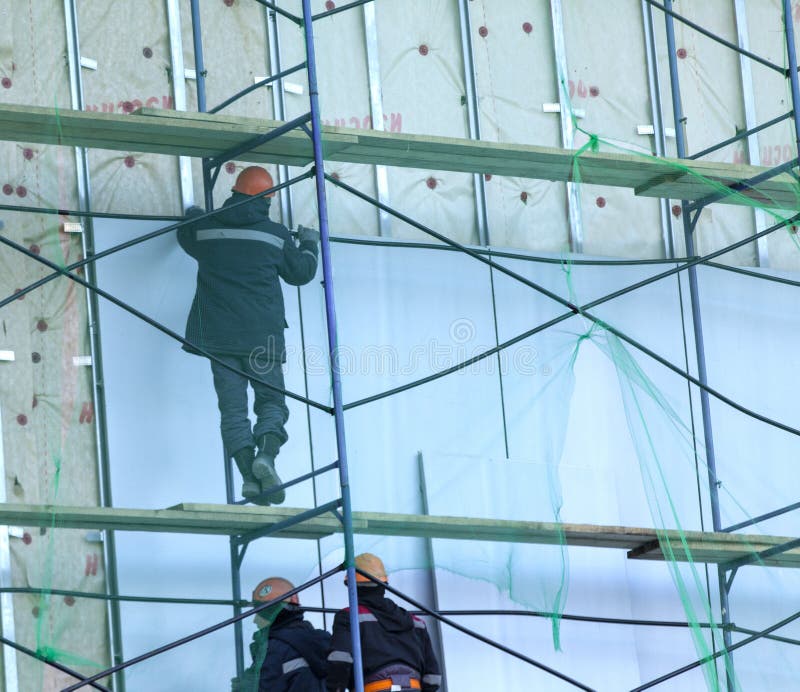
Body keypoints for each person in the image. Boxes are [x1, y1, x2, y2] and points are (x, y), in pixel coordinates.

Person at [178, 166, 319, 504]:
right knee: (271, 403)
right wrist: (311, 242)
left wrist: (195, 213)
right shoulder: (274, 234)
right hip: (262, 339)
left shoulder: (207, 230)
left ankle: (248, 478)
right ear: (269, 197)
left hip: (218, 340)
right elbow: (301, 273)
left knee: (232, 411)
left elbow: (186, 233)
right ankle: (265, 458)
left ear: (236, 190)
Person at [327, 554, 442, 692]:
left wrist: (335, 689)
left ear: (351, 584)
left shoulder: (349, 616)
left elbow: (340, 660)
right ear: (384, 584)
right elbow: (433, 678)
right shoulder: (417, 623)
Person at [232, 576, 331, 692]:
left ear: (275, 613)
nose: (255, 620)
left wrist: (243, 687)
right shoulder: (324, 642)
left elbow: (264, 687)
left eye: (261, 613)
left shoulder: (274, 648)